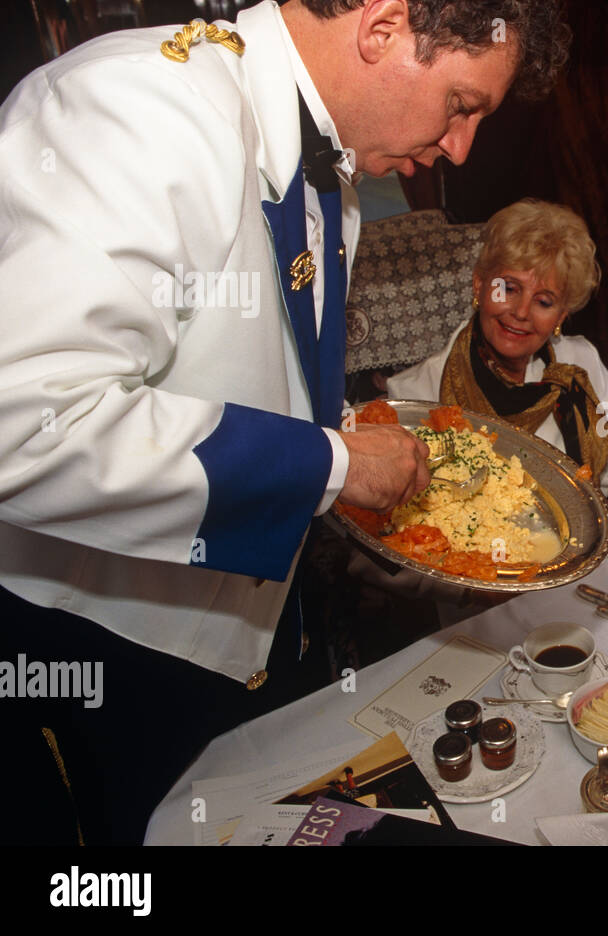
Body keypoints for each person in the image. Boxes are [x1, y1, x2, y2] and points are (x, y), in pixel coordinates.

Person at [0, 0, 569, 843]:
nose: (460, 148)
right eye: (462, 105)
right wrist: (333, 464)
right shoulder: (134, 107)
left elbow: (240, 366)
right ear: (383, 27)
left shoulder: (324, 166)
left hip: (259, 621)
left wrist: (336, 431)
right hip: (109, 645)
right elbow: (26, 423)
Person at [387, 199, 608, 550]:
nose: (520, 312)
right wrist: (471, 589)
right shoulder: (416, 394)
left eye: (544, 301)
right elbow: (391, 539)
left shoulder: (579, 366)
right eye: (509, 289)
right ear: (479, 285)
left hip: (576, 570)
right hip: (471, 595)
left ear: (561, 314)